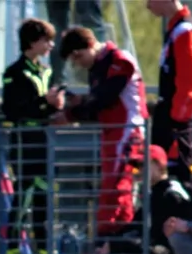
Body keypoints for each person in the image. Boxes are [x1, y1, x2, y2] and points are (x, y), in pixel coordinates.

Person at [55, 26, 148, 238]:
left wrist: (72, 114)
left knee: (114, 187)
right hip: (112, 132)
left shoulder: (119, 59)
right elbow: (98, 101)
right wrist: (79, 105)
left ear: (90, 45)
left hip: (125, 131)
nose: (78, 62)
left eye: (78, 56)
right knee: (115, 187)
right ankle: (114, 241)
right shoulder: (98, 67)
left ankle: (106, 241)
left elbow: (105, 97)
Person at [2, 18, 64, 254]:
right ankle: (13, 249)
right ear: (32, 42)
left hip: (44, 139)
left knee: (44, 194)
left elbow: (45, 109)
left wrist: (57, 104)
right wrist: (43, 103)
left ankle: (45, 248)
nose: (50, 45)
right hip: (24, 140)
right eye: (46, 40)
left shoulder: (46, 71)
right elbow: (12, 110)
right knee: (25, 193)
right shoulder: (14, 72)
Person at [146, 0, 192, 185]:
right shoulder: (175, 30)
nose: (148, 5)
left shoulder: (184, 31)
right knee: (159, 173)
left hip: (176, 121)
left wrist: (177, 121)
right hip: (169, 115)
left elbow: (189, 82)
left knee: (177, 173)